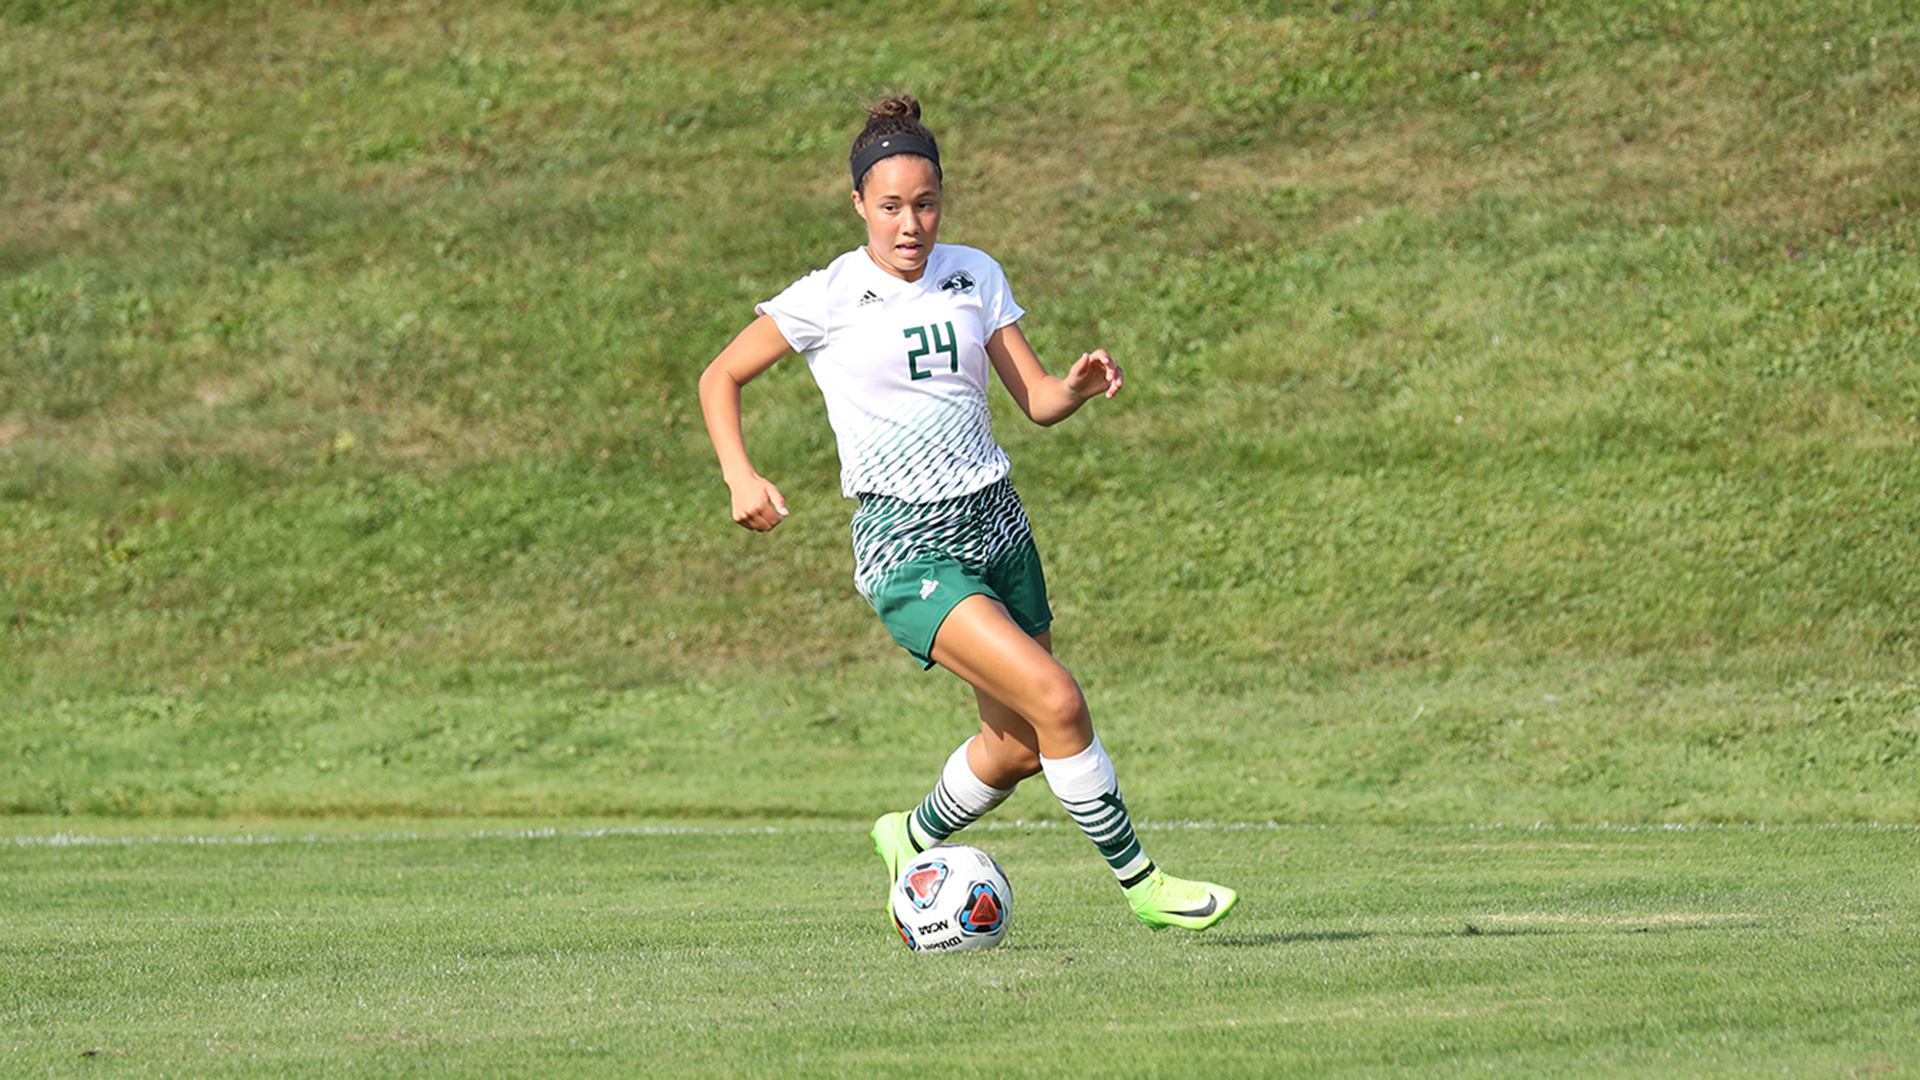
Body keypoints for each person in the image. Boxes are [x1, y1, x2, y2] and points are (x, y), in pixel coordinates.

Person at [698, 94, 1236, 932]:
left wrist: (1076, 387)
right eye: (890, 207)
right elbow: (719, 376)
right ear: (857, 204)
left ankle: (908, 835)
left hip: (998, 523)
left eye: (926, 204)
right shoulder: (828, 295)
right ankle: (1145, 886)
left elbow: (1037, 400)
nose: (910, 224)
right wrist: (741, 475)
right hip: (907, 541)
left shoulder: (974, 272)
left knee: (1018, 747)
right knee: (1058, 699)